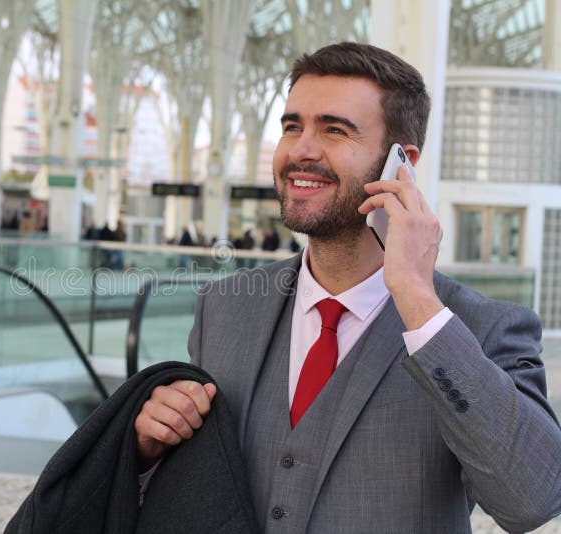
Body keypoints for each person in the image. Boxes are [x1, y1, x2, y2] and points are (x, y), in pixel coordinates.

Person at [134, 42, 561, 532]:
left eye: (334, 130)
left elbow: (532, 500)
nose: (302, 150)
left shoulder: (482, 328)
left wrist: (418, 301)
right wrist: (150, 452)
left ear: (401, 165)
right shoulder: (224, 308)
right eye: (292, 127)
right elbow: (193, 490)